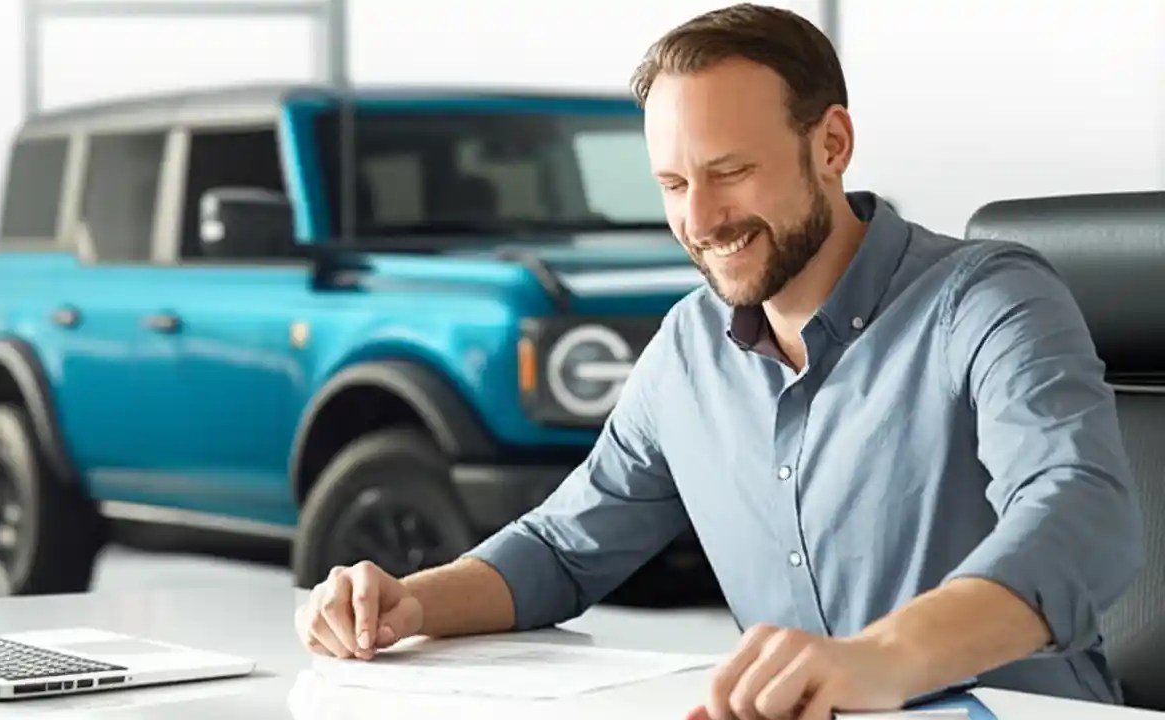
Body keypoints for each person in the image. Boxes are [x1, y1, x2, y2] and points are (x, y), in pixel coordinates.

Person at [293, 4, 1144, 718]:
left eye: (730, 172)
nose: (699, 219)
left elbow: (1080, 515)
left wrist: (880, 659)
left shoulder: (988, 299)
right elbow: (563, 549)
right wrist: (414, 601)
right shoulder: (689, 348)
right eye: (671, 184)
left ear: (832, 144)